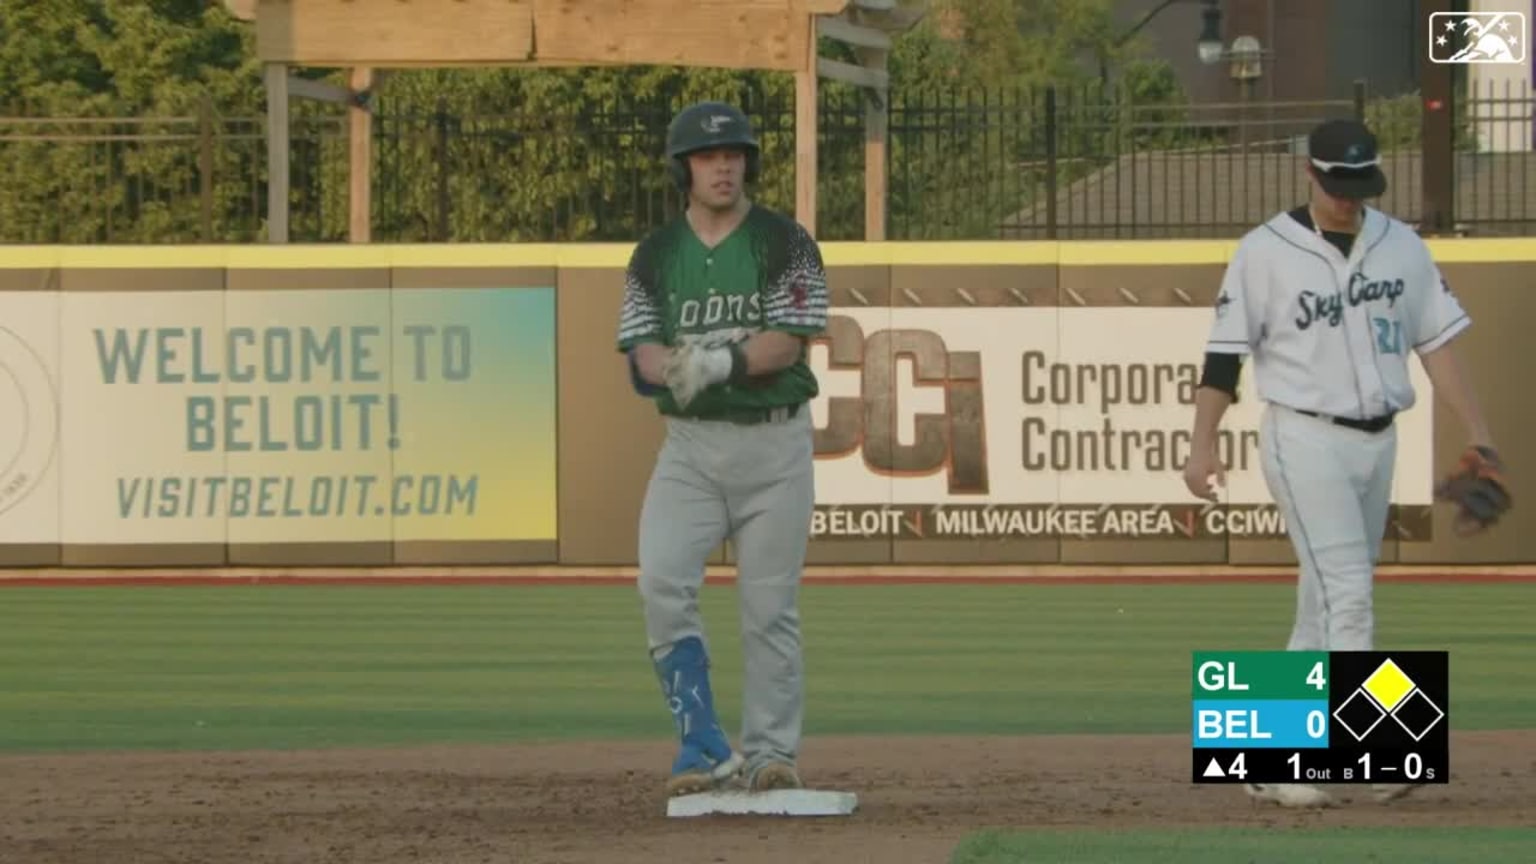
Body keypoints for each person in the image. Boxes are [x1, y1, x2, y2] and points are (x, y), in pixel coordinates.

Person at [1182, 119, 1498, 809]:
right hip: (1303, 436)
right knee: (1349, 594)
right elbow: (1224, 354)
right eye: (1337, 186)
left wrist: (1478, 432)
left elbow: (1436, 344)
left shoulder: (1402, 245)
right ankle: (1375, 757)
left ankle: (1266, 757)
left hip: (1380, 437)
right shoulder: (1265, 250)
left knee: (1322, 604)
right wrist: (1201, 442)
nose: (1349, 199)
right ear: (1309, 173)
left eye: (1360, 186)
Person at [614, 100, 827, 797]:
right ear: (685, 168)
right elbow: (643, 353)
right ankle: (702, 743)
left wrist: (718, 362)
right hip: (691, 450)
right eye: (708, 156)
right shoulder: (654, 255)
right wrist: (672, 366)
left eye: (734, 153)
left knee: (769, 608)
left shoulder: (784, 240)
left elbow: (787, 339)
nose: (723, 165)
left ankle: (771, 754)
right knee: (661, 584)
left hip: (774, 445)